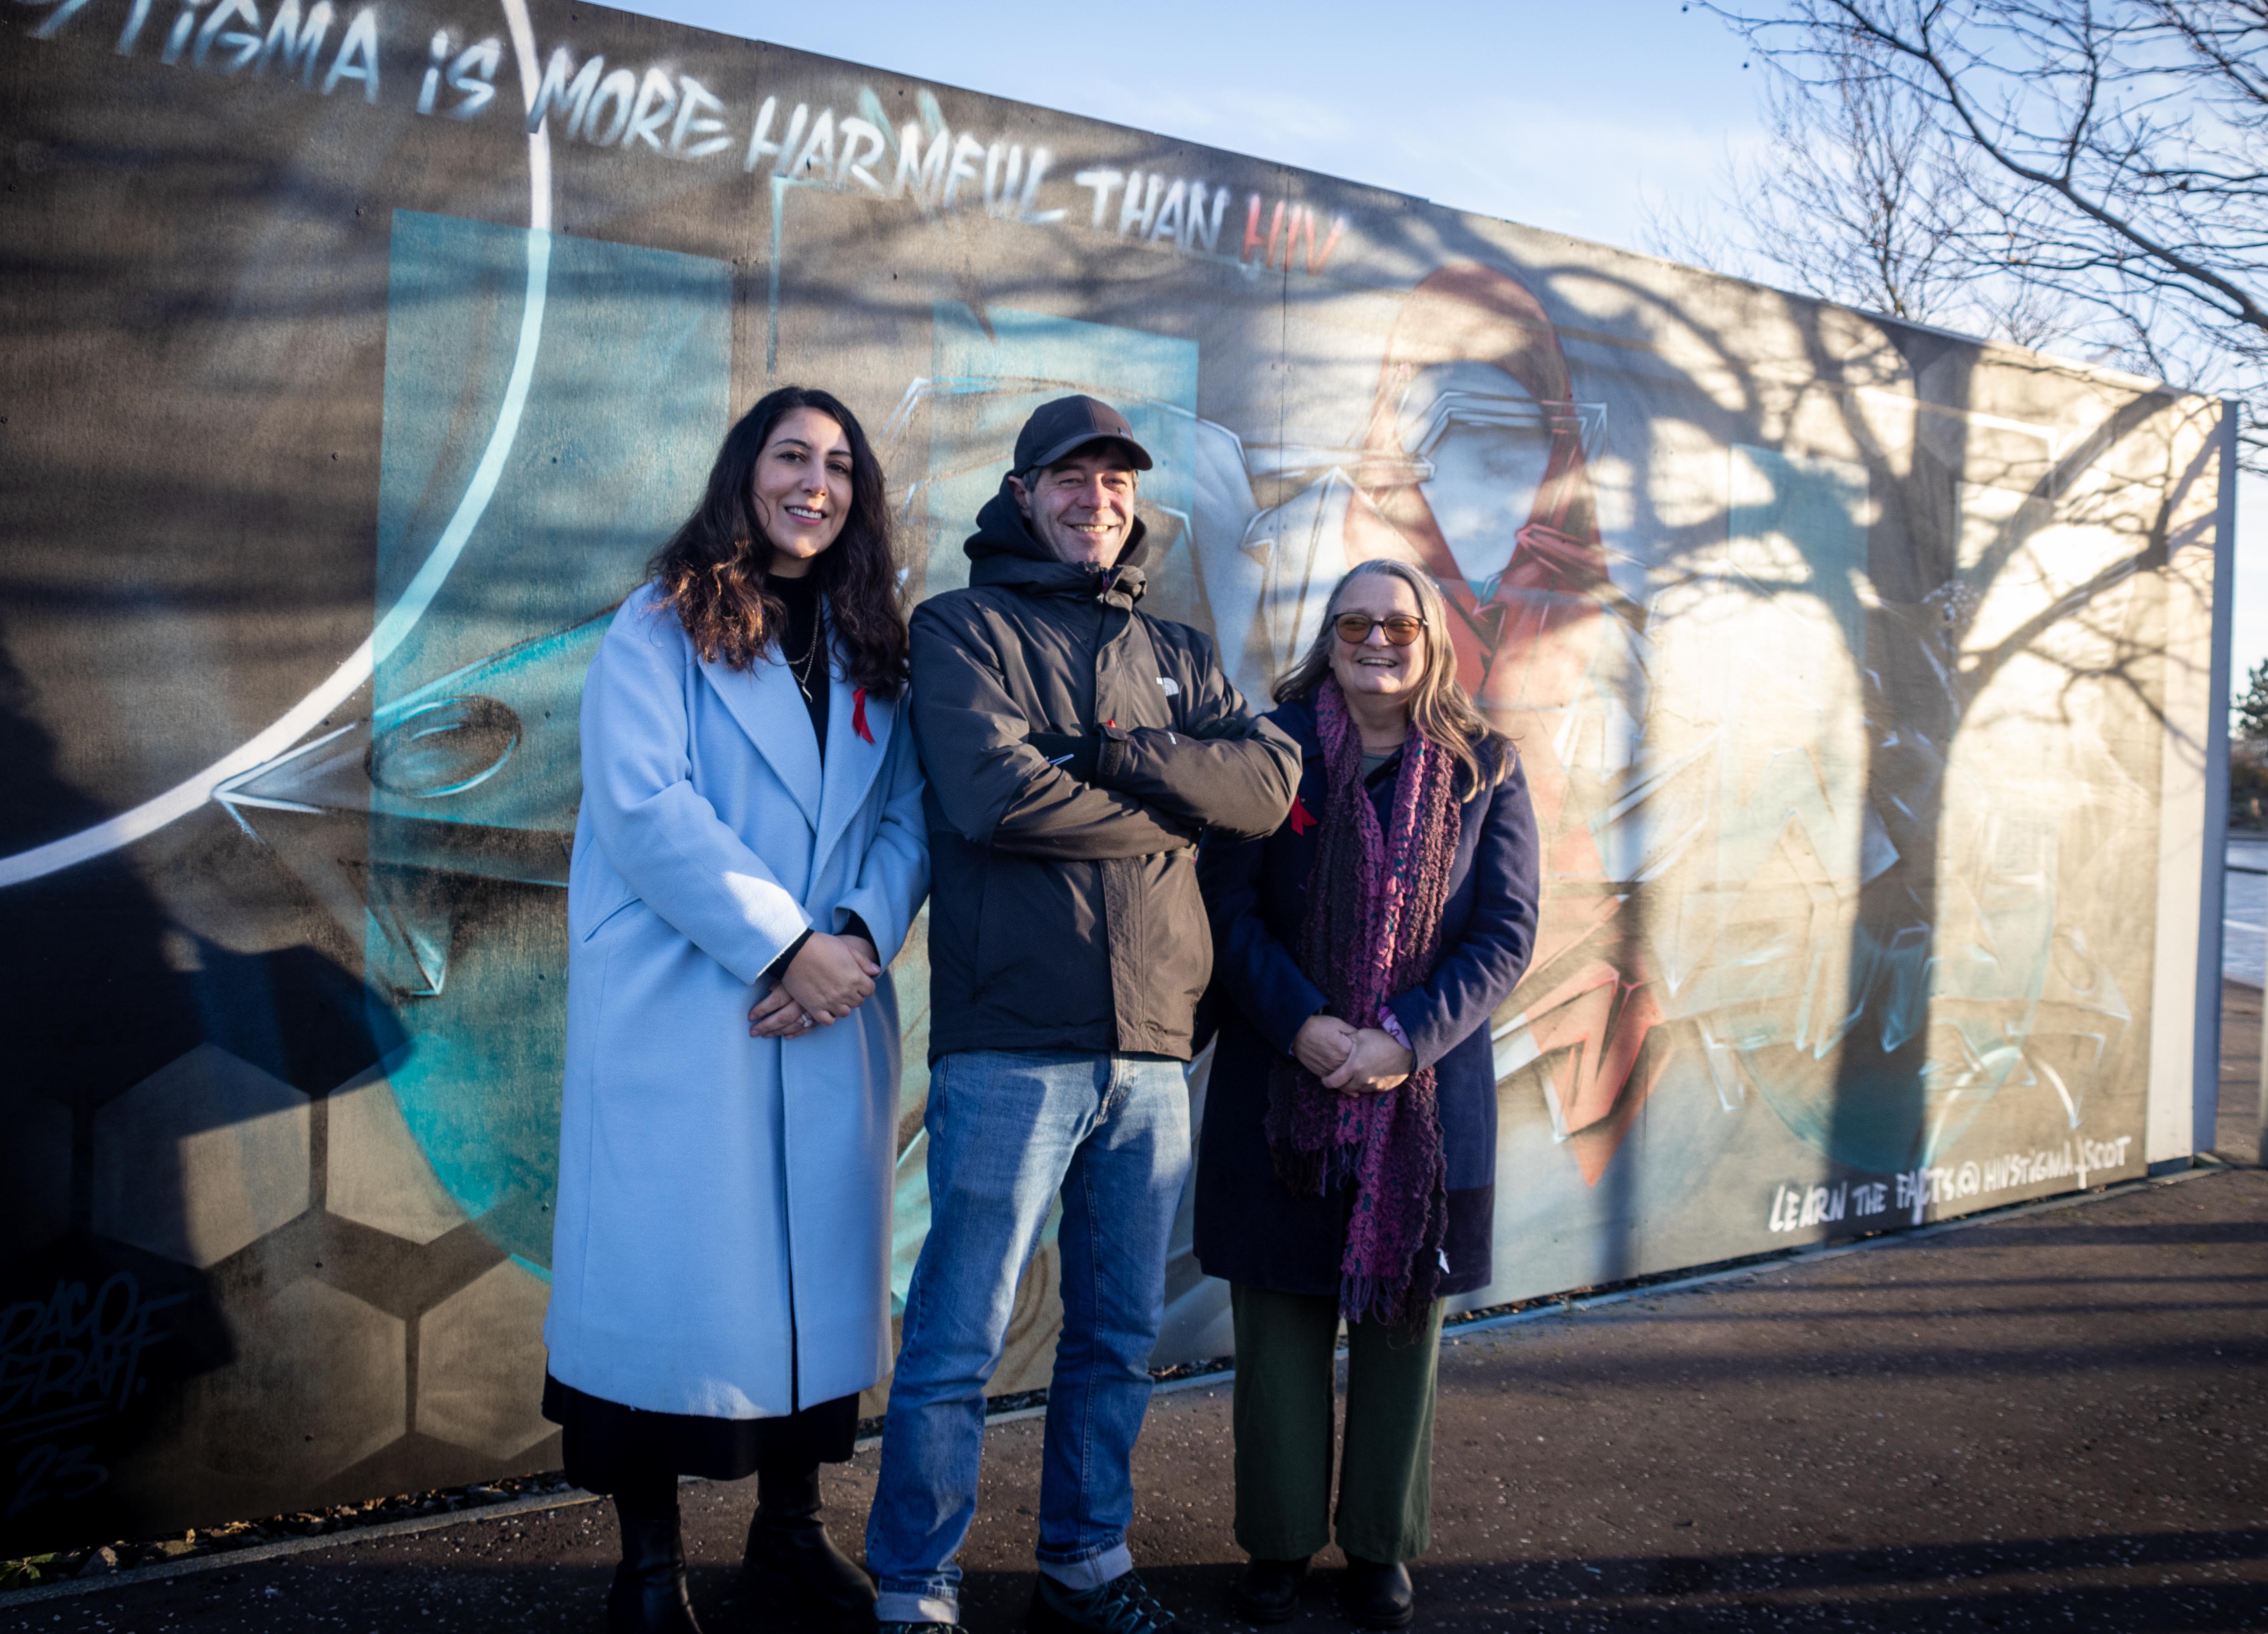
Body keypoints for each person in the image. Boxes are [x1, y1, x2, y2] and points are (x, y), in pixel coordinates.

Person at [867, 394, 1301, 1633]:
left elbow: (1269, 786)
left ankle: (1086, 1563)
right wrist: (1174, 814)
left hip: (1153, 1050)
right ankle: (914, 1582)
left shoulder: (1182, 652)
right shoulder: (960, 627)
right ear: (1023, 493)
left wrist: (1115, 755)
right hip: (1012, 1042)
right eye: (1071, 477)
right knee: (960, 1332)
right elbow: (996, 798)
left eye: (1116, 481)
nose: (1096, 500)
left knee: (1115, 1335)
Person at [542, 387, 930, 1634]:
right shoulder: (659, 625)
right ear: (743, 474)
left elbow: (908, 813)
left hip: (831, 1002)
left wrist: (855, 937)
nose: (816, 483)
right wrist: (785, 948)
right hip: (691, 1001)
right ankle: (647, 1568)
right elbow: (645, 806)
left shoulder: (874, 642)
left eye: (840, 465)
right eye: (791, 456)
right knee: (666, 1283)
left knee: (813, 1278)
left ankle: (790, 1532)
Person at [1195, 557, 1541, 1629]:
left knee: (1401, 1332)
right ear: (1329, 639)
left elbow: (1506, 932)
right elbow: (1226, 910)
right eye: (1354, 622)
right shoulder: (1272, 750)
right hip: (1280, 1087)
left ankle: (1382, 1545)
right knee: (1277, 1326)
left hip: (1422, 1101)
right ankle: (1279, 1539)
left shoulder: (1486, 767)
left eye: (1398, 622)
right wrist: (1302, 1022)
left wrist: (1404, 1039)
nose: (1377, 639)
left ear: (1433, 638)